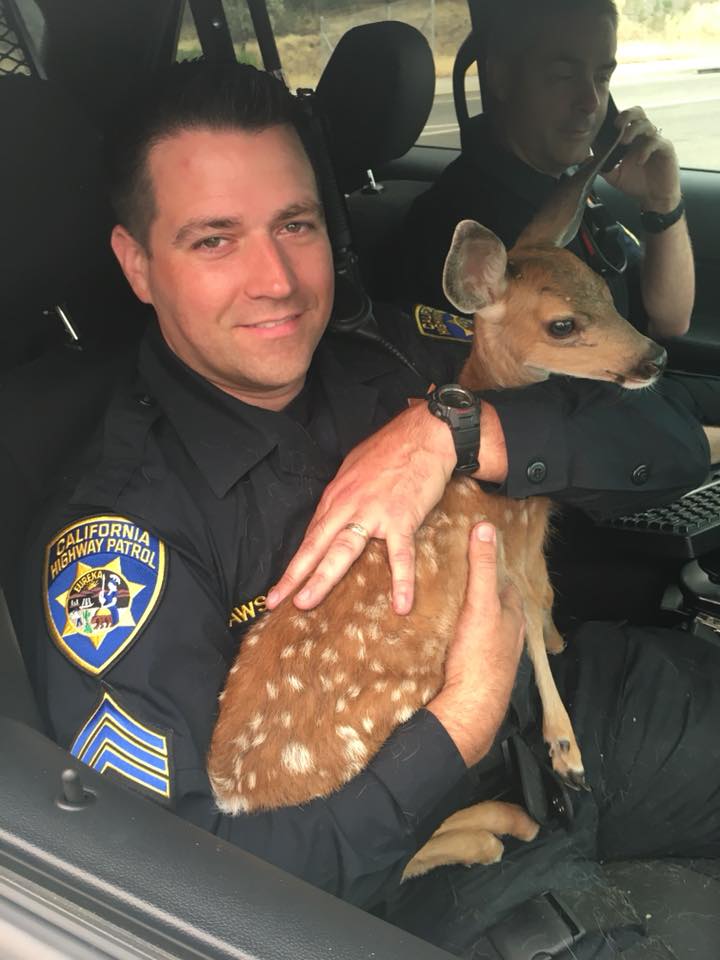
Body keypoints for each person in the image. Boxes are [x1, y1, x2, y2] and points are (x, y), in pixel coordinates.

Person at [22, 62, 718, 959]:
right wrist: (455, 725)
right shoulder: (117, 548)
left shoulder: (400, 347)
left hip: (569, 706)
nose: (275, 279)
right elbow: (189, 877)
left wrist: (458, 436)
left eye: (295, 225)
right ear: (137, 265)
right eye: (213, 241)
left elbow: (663, 432)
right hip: (418, 857)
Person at [396, 0, 720, 425]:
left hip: (634, 394)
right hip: (595, 431)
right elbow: (518, 416)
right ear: (503, 77)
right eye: (564, 76)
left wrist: (662, 202)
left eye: (602, 76)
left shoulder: (569, 194)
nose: (591, 101)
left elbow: (670, 320)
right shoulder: (453, 227)